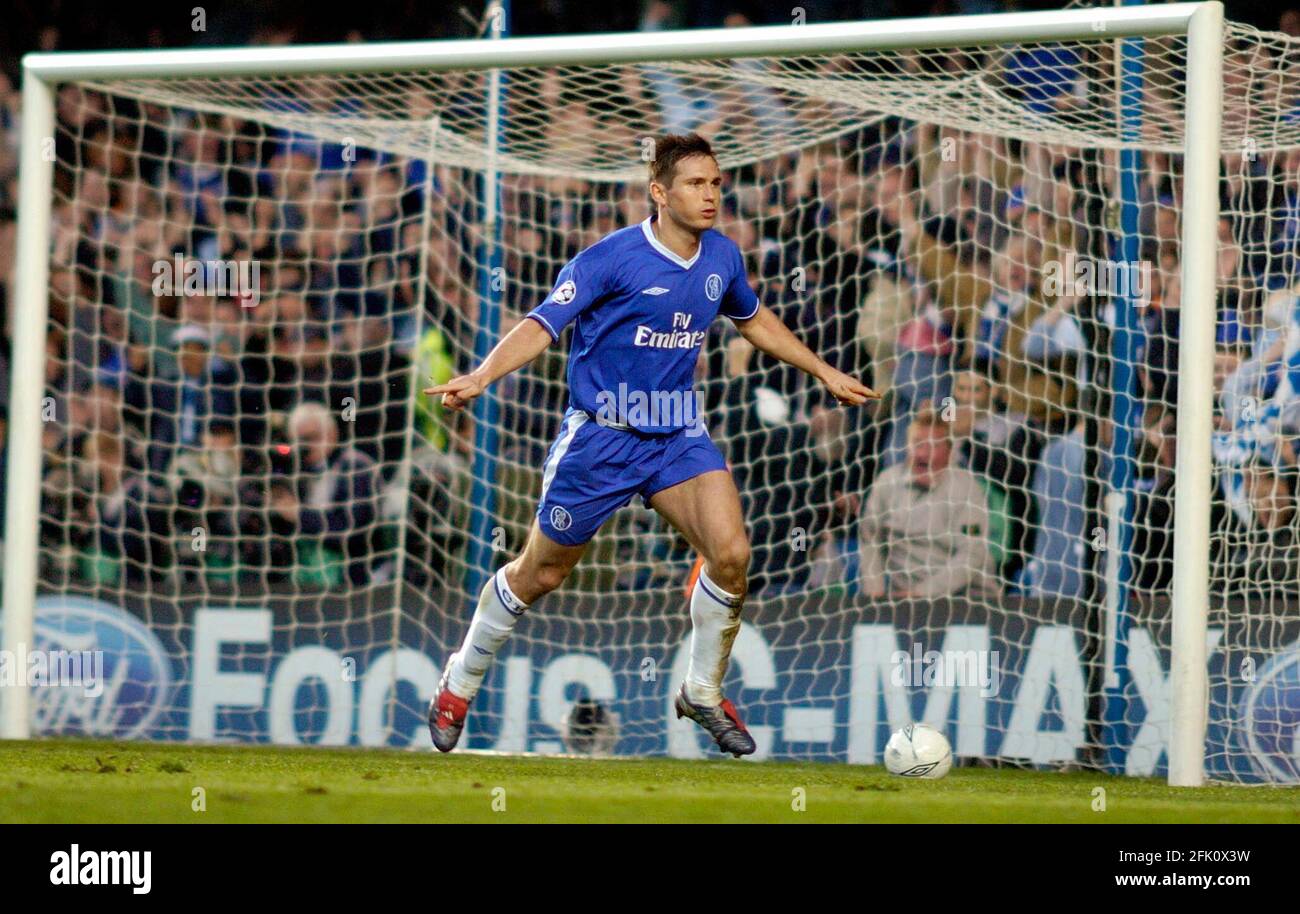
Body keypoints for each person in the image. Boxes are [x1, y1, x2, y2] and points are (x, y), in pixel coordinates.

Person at [424, 133, 877, 756]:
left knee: (731, 554)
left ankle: (701, 691)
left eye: (716, 182)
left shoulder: (722, 258)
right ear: (659, 193)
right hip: (601, 439)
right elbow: (541, 324)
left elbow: (753, 319)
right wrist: (481, 375)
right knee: (542, 572)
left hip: (676, 435)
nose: (711, 194)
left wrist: (821, 370)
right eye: (696, 183)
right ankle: (461, 679)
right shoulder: (608, 259)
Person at [859, 404, 994, 600]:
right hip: (902, 598)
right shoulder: (887, 481)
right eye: (917, 443)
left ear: (949, 451)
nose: (922, 453)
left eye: (932, 446)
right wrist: (875, 592)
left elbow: (971, 555)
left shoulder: (966, 487)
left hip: (964, 597)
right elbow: (870, 541)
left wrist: (922, 593)